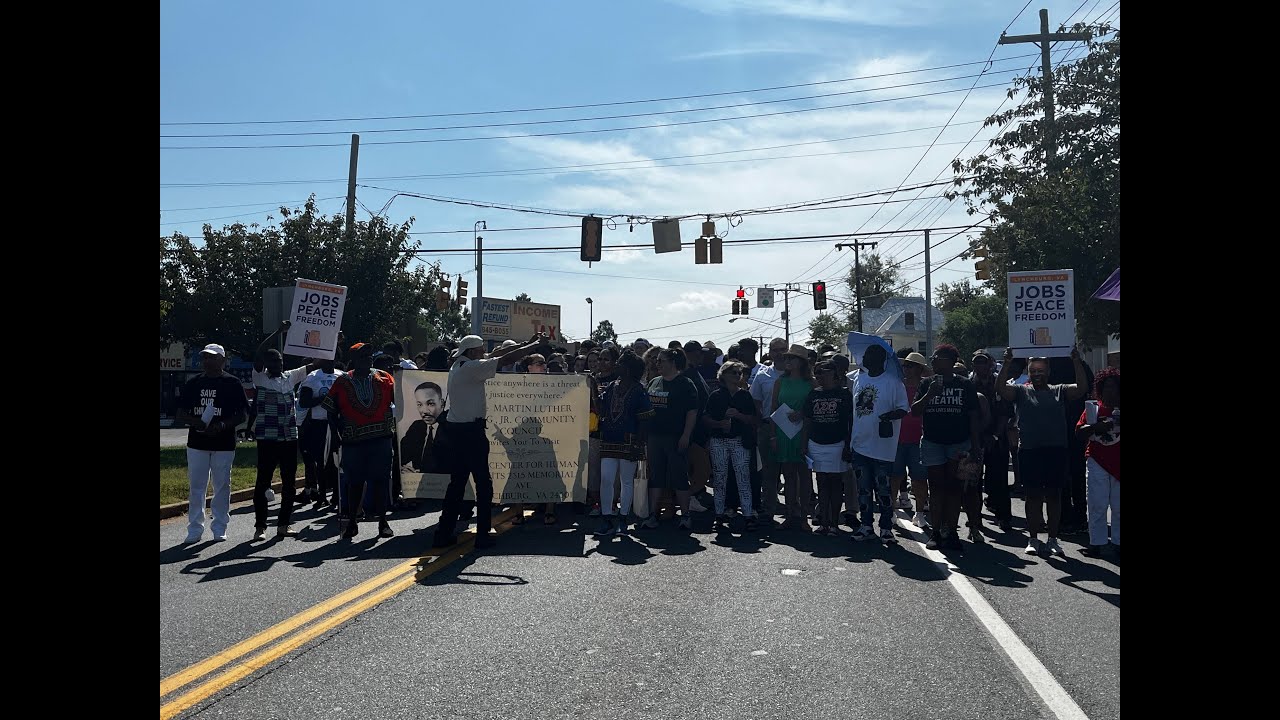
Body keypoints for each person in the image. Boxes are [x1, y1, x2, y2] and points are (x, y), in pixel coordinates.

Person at [433, 333, 545, 549]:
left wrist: (525, 343)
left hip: (458, 432)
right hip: (471, 433)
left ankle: (443, 534)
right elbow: (504, 359)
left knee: (457, 485)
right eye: (480, 350)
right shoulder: (471, 368)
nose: (483, 353)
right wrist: (534, 345)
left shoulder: (460, 365)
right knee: (484, 485)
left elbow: (497, 353)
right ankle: (482, 535)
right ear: (471, 351)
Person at [995, 347, 1088, 557]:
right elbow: (1000, 389)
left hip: (1056, 450)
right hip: (1030, 451)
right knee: (1033, 496)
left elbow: (1082, 388)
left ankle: (1053, 539)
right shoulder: (1021, 391)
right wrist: (1007, 363)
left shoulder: (1059, 390)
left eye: (1041, 370)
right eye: (1033, 370)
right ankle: (1033, 538)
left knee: (1054, 496)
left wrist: (1076, 361)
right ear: (1028, 372)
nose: (1037, 374)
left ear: (1048, 372)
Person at [320, 343, 398, 540]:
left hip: (381, 438)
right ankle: (353, 521)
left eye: (369, 355)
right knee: (354, 483)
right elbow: (330, 411)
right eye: (363, 356)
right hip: (353, 441)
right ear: (354, 359)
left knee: (381, 481)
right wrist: (335, 435)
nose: (368, 359)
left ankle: (383, 522)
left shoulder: (385, 377)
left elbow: (400, 400)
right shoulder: (342, 382)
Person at [911, 344, 982, 551]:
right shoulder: (926, 383)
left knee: (954, 488)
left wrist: (975, 446)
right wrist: (929, 394)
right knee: (936, 487)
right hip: (933, 442)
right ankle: (935, 532)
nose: (932, 360)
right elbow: (915, 411)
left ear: (950, 361)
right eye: (933, 358)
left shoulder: (964, 384)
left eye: (937, 357)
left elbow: (973, 416)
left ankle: (951, 531)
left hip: (958, 443)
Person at [177, 343, 250, 543]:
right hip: (197, 443)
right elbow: (180, 413)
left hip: (224, 443)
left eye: (212, 357)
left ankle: (219, 526)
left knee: (222, 485)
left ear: (223, 360)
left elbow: (242, 414)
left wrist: (223, 425)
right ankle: (195, 528)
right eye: (205, 357)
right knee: (197, 486)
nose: (207, 361)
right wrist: (196, 422)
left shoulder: (232, 383)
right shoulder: (194, 383)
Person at [245, 322, 310, 541]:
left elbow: (316, 364)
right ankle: (260, 526)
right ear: (266, 364)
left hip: (289, 438)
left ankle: (283, 524)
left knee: (289, 483)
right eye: (273, 361)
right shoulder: (260, 378)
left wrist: (331, 344)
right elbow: (259, 353)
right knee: (263, 482)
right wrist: (277, 332)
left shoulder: (290, 377)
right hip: (267, 439)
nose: (278, 364)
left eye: (280, 361)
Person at [848, 345, 911, 543]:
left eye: (869, 355)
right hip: (859, 443)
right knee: (863, 490)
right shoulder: (859, 379)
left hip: (883, 447)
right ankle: (866, 526)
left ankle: (886, 528)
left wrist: (889, 416)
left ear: (880, 358)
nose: (864, 358)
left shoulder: (893, 382)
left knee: (883, 490)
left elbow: (903, 409)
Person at [594, 352, 654, 536]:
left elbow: (645, 419)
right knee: (606, 479)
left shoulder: (639, 390)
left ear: (627, 369)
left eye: (619, 363)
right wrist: (593, 391)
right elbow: (601, 409)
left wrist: (639, 444)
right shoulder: (613, 386)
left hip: (630, 442)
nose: (616, 365)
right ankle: (606, 518)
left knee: (626, 481)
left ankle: (623, 519)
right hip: (609, 439)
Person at [640, 347, 699, 529]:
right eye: (656, 360)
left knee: (679, 476)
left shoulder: (686, 383)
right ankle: (652, 515)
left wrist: (686, 435)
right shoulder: (654, 382)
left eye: (661, 361)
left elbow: (692, 412)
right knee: (655, 476)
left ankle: (685, 516)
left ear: (673, 363)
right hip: (654, 437)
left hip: (675, 437)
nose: (657, 363)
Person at [705, 360, 759, 531]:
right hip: (719, 440)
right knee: (720, 478)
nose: (737, 375)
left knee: (743, 478)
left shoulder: (745, 395)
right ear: (724, 375)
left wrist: (739, 415)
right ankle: (719, 514)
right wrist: (719, 423)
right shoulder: (715, 395)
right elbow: (706, 418)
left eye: (739, 373)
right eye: (733, 372)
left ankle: (748, 515)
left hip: (739, 441)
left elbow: (753, 419)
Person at [803, 359, 853, 535]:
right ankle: (823, 521)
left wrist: (848, 444)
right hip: (816, 443)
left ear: (834, 373)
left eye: (822, 371)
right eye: (816, 373)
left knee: (836, 483)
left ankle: (834, 523)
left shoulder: (845, 394)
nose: (819, 376)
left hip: (837, 443)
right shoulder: (813, 394)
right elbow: (807, 421)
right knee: (821, 481)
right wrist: (804, 444)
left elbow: (850, 421)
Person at [771, 344, 815, 531]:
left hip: (804, 433)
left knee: (804, 477)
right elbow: (773, 409)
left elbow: (815, 407)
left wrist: (802, 414)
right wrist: (773, 436)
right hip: (784, 432)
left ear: (802, 362)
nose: (787, 361)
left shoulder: (811, 382)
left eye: (792, 358)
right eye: (786, 358)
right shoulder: (780, 381)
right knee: (788, 476)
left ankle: (804, 517)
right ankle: (790, 515)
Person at [1077, 367, 1120, 557]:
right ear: (1100, 388)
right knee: (1097, 503)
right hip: (1097, 460)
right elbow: (1079, 432)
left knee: (1119, 506)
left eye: (1114, 387)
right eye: (1106, 387)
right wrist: (1096, 426)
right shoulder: (1093, 408)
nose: (1110, 390)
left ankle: (1118, 542)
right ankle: (1097, 542)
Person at [971, 351, 1013, 533]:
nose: (980, 365)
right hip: (975, 439)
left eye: (983, 362)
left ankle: (1004, 517)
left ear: (990, 365)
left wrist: (995, 436)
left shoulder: (1000, 383)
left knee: (1000, 480)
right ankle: (975, 518)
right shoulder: (968, 384)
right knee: (973, 482)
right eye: (977, 362)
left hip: (998, 438)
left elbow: (1005, 413)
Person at [749, 338, 788, 523]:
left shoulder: (796, 374)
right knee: (768, 473)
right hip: (767, 427)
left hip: (792, 429)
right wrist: (760, 424)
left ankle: (794, 512)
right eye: (775, 350)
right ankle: (768, 509)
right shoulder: (762, 374)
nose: (779, 353)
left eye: (783, 349)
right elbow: (755, 402)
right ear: (770, 352)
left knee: (792, 472)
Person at [298, 356, 343, 510]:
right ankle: (322, 495)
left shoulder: (341, 376)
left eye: (332, 358)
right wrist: (324, 398)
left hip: (337, 423)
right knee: (321, 461)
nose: (329, 361)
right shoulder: (312, 378)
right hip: (319, 424)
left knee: (338, 460)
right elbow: (304, 401)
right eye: (326, 358)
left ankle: (337, 495)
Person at [892, 351, 928, 528]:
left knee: (919, 479)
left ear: (919, 369)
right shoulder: (897, 385)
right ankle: (891, 511)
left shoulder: (926, 386)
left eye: (910, 366)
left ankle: (919, 512)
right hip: (897, 438)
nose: (906, 369)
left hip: (918, 439)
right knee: (894, 477)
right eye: (905, 365)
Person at [680, 340, 713, 513]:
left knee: (699, 468)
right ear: (689, 354)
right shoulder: (685, 375)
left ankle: (691, 498)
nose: (701, 356)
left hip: (701, 429)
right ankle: (687, 498)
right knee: (701, 468)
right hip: (691, 430)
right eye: (699, 353)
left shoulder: (695, 372)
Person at [400, 381, 446, 474]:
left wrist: (420, 473)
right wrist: (403, 469)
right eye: (420, 404)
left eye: (430, 403)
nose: (424, 411)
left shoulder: (452, 428)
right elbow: (400, 457)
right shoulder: (417, 427)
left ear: (442, 403)